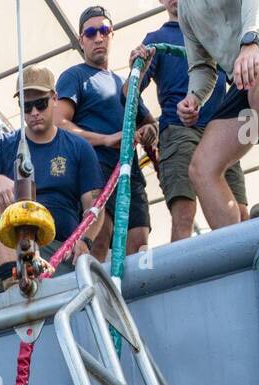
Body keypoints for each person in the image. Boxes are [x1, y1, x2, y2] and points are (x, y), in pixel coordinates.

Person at [175, 0, 259, 224]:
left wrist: (251, 41)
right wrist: (194, 97)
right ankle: (235, 248)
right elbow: (202, 66)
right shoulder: (185, 9)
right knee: (202, 167)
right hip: (246, 71)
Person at [0, 65, 104, 286]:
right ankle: (14, 284)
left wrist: (84, 240)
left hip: (61, 249)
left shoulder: (78, 148)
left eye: (40, 103)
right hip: (15, 245)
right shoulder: (3, 145)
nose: (34, 113)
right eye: (27, 107)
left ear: (55, 99)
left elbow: (94, 206)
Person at [137, 0, 248, 240]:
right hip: (178, 130)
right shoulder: (155, 39)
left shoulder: (213, 32)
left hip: (220, 131)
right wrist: (148, 120)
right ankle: (181, 277)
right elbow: (128, 93)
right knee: (184, 213)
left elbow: (239, 81)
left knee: (241, 213)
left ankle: (235, 270)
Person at [55, 5, 158, 261]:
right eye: (90, 33)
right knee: (99, 239)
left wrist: (148, 131)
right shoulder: (75, 76)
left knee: (140, 245)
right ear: (81, 41)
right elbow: (59, 124)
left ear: (112, 34)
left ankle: (132, 300)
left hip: (129, 172)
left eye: (104, 30)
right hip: (95, 170)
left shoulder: (124, 84)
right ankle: (95, 299)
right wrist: (106, 139)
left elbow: (149, 123)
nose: (98, 37)